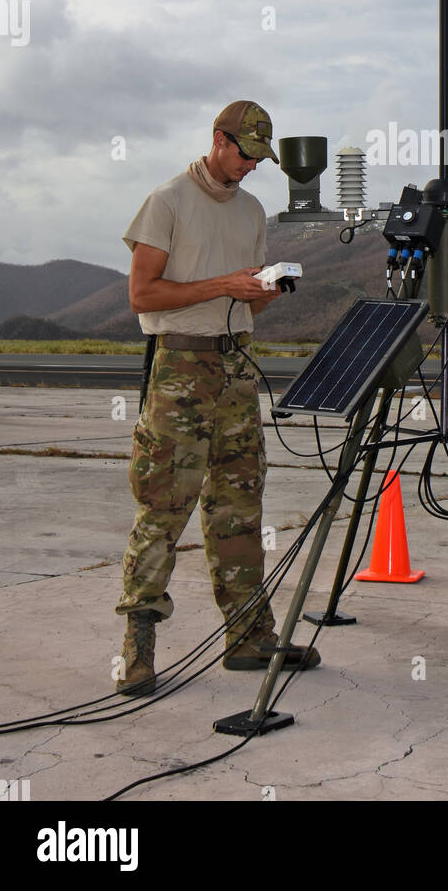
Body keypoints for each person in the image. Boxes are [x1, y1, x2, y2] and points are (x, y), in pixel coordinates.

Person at [114, 100, 320, 696]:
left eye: (261, 157)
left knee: (238, 504)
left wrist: (263, 293)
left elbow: (243, 298)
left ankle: (249, 637)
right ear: (218, 140)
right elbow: (142, 295)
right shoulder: (168, 201)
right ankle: (137, 647)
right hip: (179, 367)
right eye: (247, 154)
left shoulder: (253, 210)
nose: (253, 166)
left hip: (236, 368)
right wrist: (222, 286)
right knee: (164, 508)